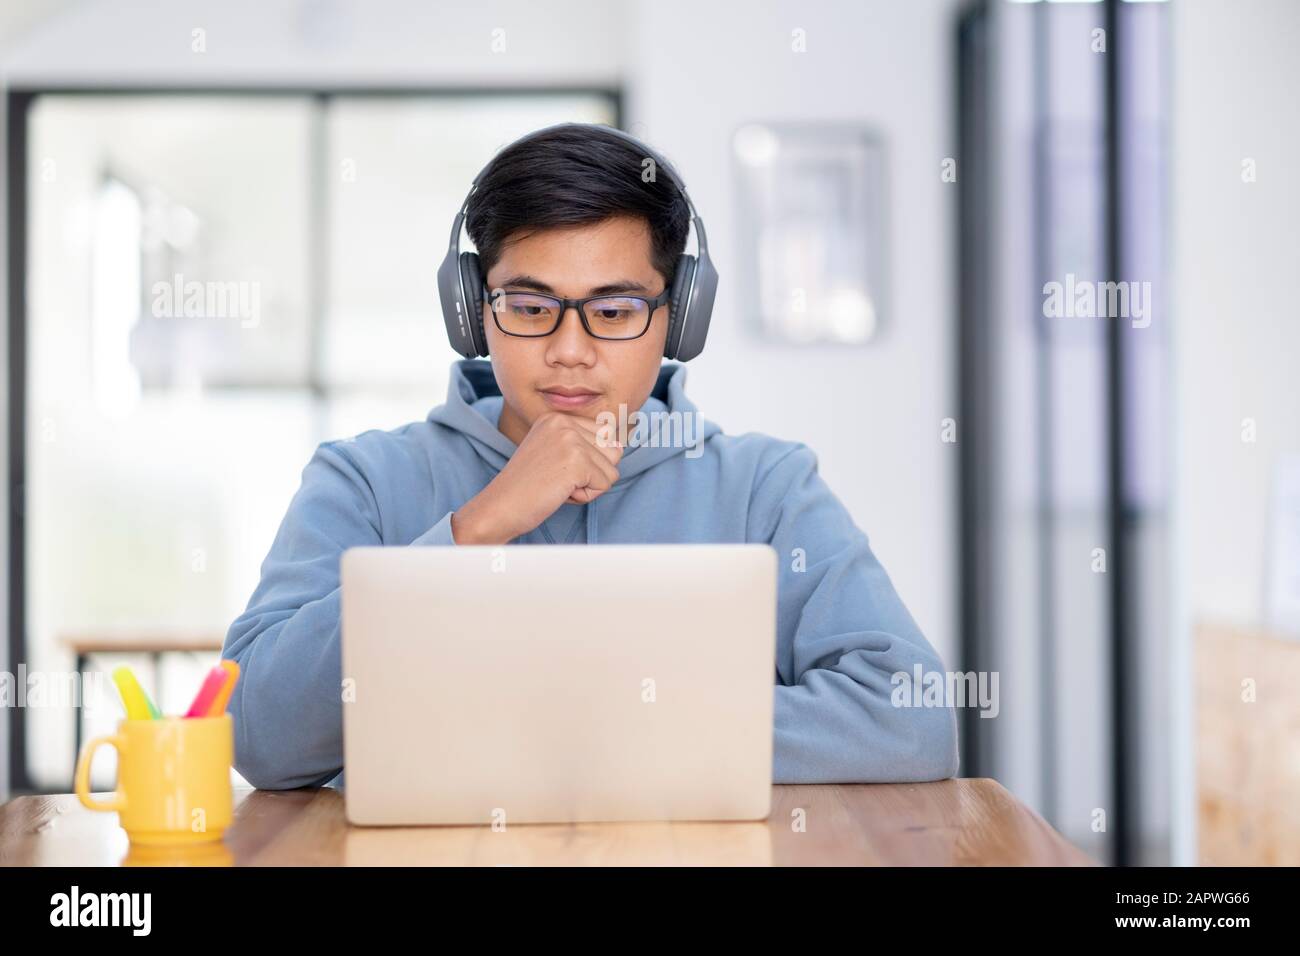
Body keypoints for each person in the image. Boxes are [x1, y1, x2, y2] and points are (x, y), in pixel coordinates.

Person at [223, 123, 959, 790]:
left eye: (613, 311)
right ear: (473, 310)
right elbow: (260, 735)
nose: (569, 352)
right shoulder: (364, 481)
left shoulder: (765, 487)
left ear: (679, 319)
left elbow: (910, 722)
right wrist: (472, 530)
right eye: (530, 306)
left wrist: (606, 734)